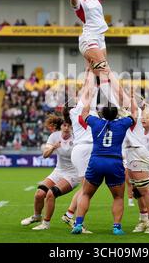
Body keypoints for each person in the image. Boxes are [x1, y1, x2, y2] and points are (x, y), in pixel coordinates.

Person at [71, 81, 137, 235]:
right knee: (118, 197)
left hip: (97, 161)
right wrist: (132, 97)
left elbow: (84, 114)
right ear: (116, 114)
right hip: (114, 162)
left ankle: (79, 224)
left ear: (102, 113)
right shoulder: (122, 123)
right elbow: (134, 115)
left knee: (86, 193)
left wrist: (90, 97)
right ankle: (116, 227)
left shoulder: (96, 122)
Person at [65, 0, 121, 108]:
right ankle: (119, 104)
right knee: (105, 70)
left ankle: (81, 105)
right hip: (89, 38)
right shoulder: (78, 2)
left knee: (93, 73)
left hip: (100, 37)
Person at [21, 115, 80, 230]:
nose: (66, 128)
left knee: (51, 194)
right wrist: (53, 147)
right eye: (64, 125)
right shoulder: (54, 136)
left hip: (73, 174)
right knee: (39, 193)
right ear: (61, 126)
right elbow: (45, 155)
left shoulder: (77, 138)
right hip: (58, 171)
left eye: (69, 125)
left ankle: (46, 223)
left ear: (72, 127)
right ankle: (36, 216)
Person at [60, 70, 98, 230]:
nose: (78, 97)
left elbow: (87, 88)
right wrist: (90, 70)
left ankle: (69, 214)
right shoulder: (79, 108)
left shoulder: (76, 110)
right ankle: (78, 223)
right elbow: (88, 88)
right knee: (87, 190)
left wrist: (89, 70)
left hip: (82, 150)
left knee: (85, 188)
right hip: (84, 150)